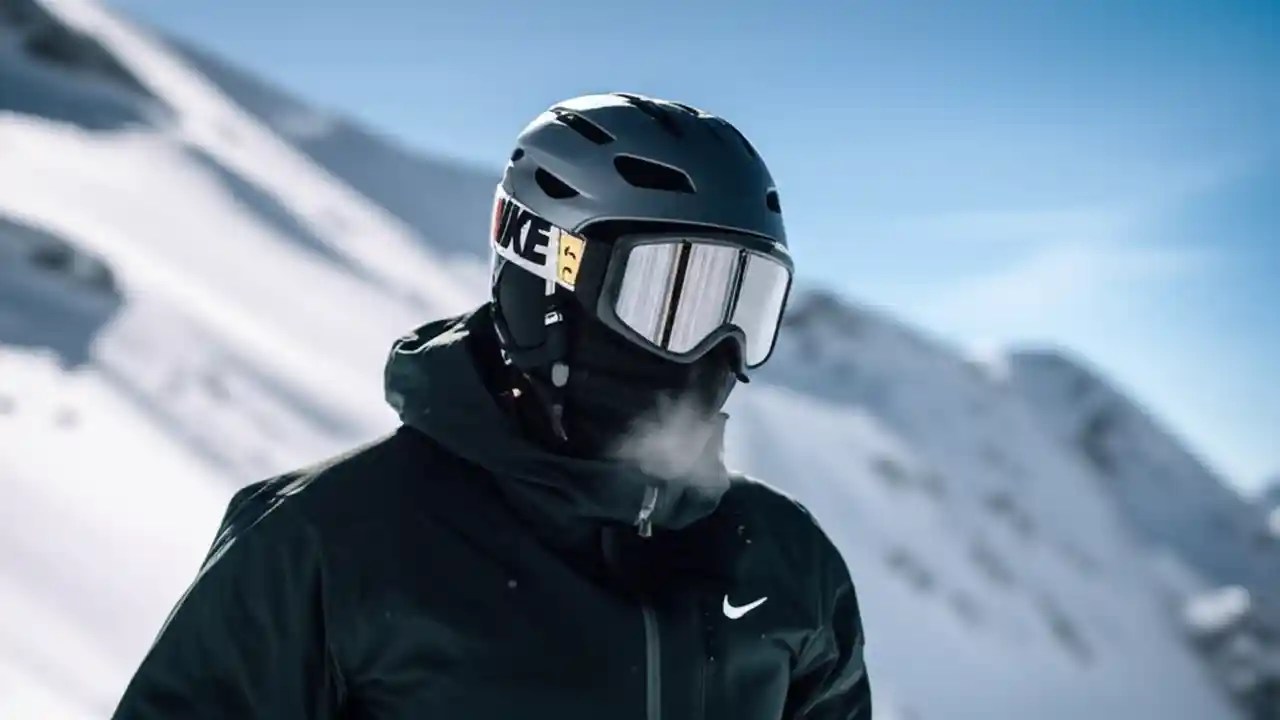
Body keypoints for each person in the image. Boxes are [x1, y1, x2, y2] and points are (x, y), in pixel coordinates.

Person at [112, 92, 871, 719]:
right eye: (674, 297)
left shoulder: (785, 562)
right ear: (547, 279)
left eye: (746, 302)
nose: (714, 350)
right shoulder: (332, 541)